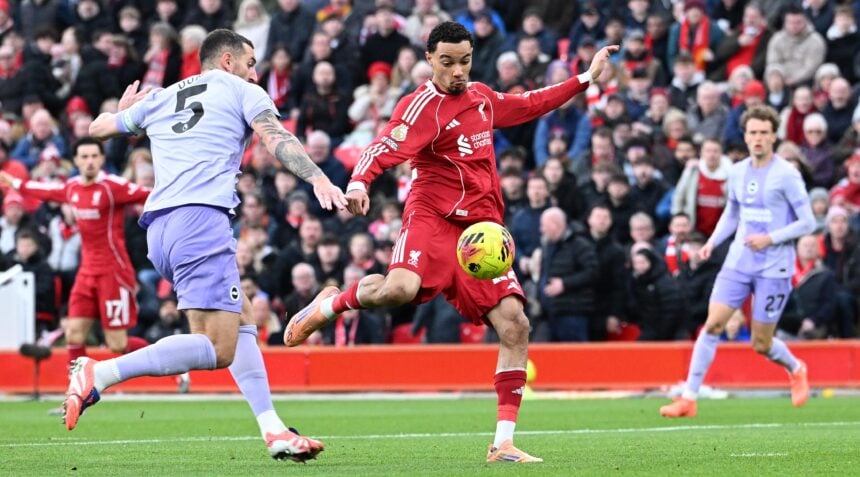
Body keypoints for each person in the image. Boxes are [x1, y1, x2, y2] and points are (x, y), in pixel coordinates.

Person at [281, 21, 616, 463]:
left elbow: (529, 104)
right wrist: (359, 184)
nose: (457, 71)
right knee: (398, 289)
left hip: (479, 231)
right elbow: (382, 147)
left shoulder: (480, 98)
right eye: (447, 62)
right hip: (431, 217)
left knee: (515, 324)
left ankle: (503, 443)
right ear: (429, 60)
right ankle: (328, 305)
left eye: (464, 61)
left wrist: (586, 78)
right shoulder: (422, 107)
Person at [65, 29, 346, 462]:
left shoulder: (162, 97)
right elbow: (276, 139)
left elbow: (99, 128)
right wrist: (320, 178)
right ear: (229, 62)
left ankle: (273, 429)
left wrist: (124, 112)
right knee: (217, 348)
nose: (257, 73)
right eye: (252, 63)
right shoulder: (240, 90)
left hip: (159, 230)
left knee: (243, 315)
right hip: (200, 221)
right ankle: (99, 372)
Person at [660, 105, 815, 418]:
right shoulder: (738, 171)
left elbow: (809, 222)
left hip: (774, 266)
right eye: (752, 133)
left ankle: (796, 368)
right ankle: (689, 399)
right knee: (713, 323)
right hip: (738, 262)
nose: (757, 138)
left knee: (761, 343)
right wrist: (712, 242)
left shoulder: (787, 174)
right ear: (745, 136)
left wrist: (771, 238)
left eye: (763, 133)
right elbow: (732, 213)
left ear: (773, 136)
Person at [0, 138, 151, 378]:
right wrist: (16, 183)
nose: (90, 161)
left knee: (117, 344)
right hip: (86, 272)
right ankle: (75, 392)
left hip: (113, 271)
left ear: (102, 159)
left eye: (94, 156)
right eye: (85, 156)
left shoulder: (113, 187)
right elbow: (45, 191)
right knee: (74, 334)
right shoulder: (72, 188)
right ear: (77, 161)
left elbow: (149, 193)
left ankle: (171, 365)